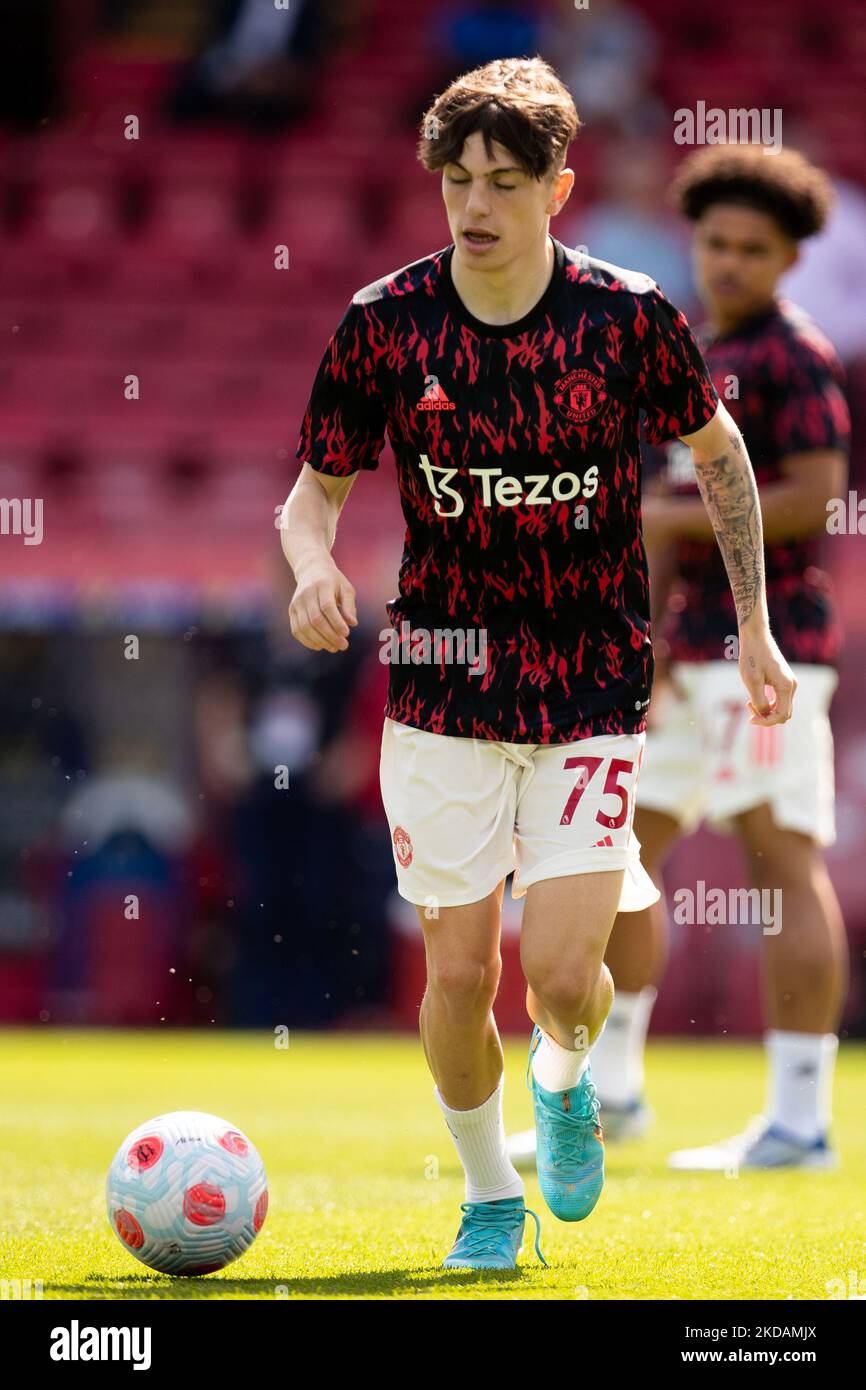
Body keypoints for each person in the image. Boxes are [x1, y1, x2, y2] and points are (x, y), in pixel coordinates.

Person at [281, 58, 794, 1269]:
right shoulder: (382, 323)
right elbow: (311, 496)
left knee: (562, 977)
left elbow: (719, 463)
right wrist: (311, 565)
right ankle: (488, 1195)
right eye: (456, 178)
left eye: (504, 182)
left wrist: (754, 624)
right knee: (458, 970)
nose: (474, 203)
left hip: (589, 682)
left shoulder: (626, 318)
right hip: (442, 680)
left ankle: (564, 1081)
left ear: (558, 188)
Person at [508, 145, 850, 1173]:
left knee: (779, 866)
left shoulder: (794, 356)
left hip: (765, 645)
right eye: (714, 242)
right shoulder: (688, 347)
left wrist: (661, 510)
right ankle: (608, 1092)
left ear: (790, 258)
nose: (729, 262)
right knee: (616, 861)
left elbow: (813, 492)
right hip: (673, 656)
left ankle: (799, 1120)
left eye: (753, 248)